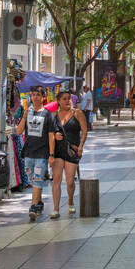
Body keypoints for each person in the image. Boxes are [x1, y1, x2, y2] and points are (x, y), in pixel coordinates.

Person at [50, 89, 88, 219]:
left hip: (73, 150)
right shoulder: (54, 115)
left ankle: (70, 201)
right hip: (58, 151)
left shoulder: (77, 113)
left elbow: (84, 130)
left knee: (70, 181)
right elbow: (49, 133)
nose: (68, 101)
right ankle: (56, 209)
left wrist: (81, 146)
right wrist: (55, 135)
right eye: (64, 99)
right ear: (59, 101)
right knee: (56, 179)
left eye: (69, 98)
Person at [17, 94, 55, 220]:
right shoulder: (28, 112)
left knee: (38, 179)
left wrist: (51, 154)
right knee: (32, 179)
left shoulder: (48, 114)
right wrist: (24, 116)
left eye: (38, 95)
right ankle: (38, 202)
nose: (36, 97)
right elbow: (18, 131)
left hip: (42, 153)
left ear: (43, 97)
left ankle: (33, 206)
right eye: (33, 95)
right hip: (29, 152)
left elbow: (51, 136)